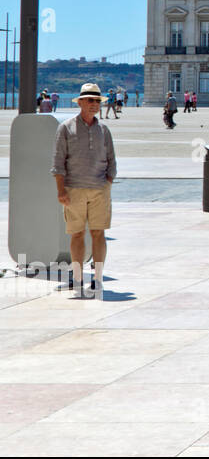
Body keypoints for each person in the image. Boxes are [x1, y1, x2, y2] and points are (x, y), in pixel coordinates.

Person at [51, 84, 117, 298]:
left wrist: (108, 181)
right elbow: (58, 161)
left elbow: (111, 160)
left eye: (97, 101)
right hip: (74, 190)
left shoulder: (104, 129)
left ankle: (97, 279)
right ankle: (78, 278)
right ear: (79, 102)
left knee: (99, 233)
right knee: (77, 234)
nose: (94, 104)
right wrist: (61, 190)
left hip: (100, 190)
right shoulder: (66, 127)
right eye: (89, 100)